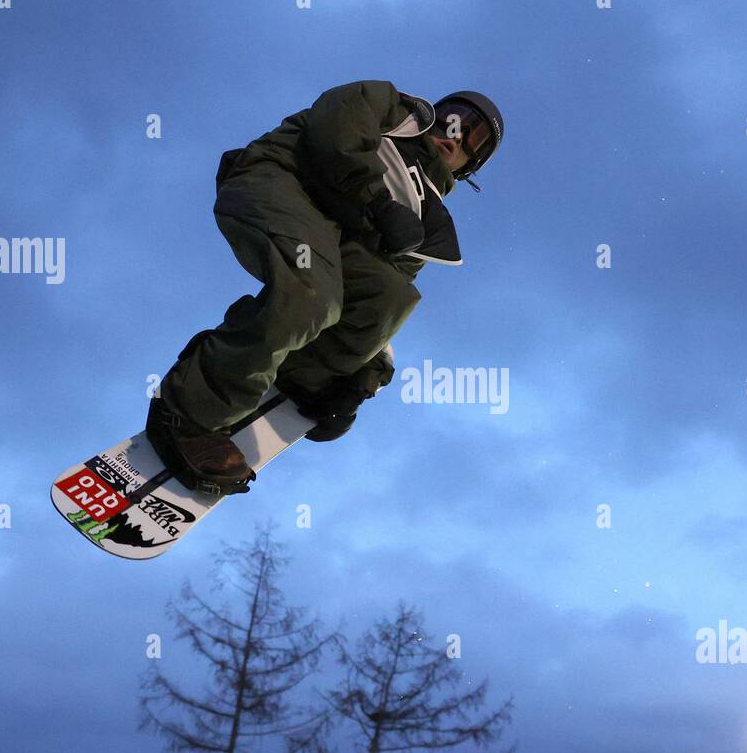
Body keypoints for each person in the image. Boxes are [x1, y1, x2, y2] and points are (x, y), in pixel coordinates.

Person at [146, 81, 503, 496]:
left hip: (331, 241)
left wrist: (360, 380)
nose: (454, 135)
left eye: (473, 139)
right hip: (283, 179)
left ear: (469, 167)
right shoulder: (396, 111)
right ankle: (188, 413)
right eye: (454, 119)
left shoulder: (428, 222)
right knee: (311, 292)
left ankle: (301, 373)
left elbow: (382, 291)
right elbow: (337, 128)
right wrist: (377, 202)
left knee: (390, 299)